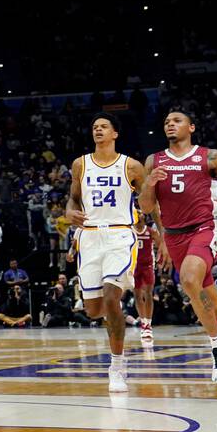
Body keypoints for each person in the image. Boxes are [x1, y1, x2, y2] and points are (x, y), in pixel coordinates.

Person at [140, 110, 217, 381]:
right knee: (210, 302)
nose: (170, 124)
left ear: (191, 127)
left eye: (177, 120)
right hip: (173, 235)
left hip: (205, 228)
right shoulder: (153, 160)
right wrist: (149, 183)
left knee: (189, 278)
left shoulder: (210, 156)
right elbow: (146, 207)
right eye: (167, 122)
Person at [64, 115, 146, 393]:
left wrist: (156, 229)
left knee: (112, 296)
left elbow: (148, 201)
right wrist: (68, 211)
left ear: (115, 134)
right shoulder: (80, 163)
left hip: (120, 234)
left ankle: (117, 365)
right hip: (88, 236)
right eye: (94, 127)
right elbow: (74, 197)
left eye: (103, 127)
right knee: (94, 310)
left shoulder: (131, 165)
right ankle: (117, 312)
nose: (97, 129)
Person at [131, 207, 163, 347]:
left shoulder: (151, 231)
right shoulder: (129, 232)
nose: (138, 214)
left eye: (140, 212)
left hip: (147, 265)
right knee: (137, 294)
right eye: (136, 212)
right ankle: (143, 323)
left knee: (148, 294)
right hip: (134, 266)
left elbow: (161, 245)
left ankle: (148, 324)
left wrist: (161, 260)